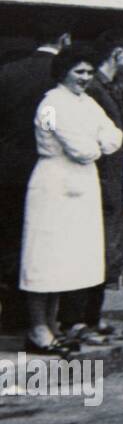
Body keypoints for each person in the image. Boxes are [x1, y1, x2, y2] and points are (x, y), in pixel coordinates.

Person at [20, 48, 123, 355]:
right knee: (44, 257)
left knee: (66, 260)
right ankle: (38, 329)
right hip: (54, 184)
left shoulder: (87, 102)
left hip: (83, 185)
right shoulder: (50, 104)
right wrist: (97, 142)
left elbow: (115, 135)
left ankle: (52, 327)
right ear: (63, 71)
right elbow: (81, 149)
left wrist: (98, 141)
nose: (85, 78)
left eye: (90, 72)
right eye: (79, 72)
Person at [58, 31, 123, 345]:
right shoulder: (96, 91)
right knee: (90, 251)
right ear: (116, 52)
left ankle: (92, 316)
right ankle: (76, 319)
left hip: (109, 181)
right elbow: (104, 137)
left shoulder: (108, 87)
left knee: (106, 253)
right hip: (97, 181)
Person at [0, 20, 71, 334]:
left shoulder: (9, 71)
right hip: (51, 169)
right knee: (45, 245)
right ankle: (40, 320)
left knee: (10, 241)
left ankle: (10, 314)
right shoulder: (64, 78)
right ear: (64, 39)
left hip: (9, 168)